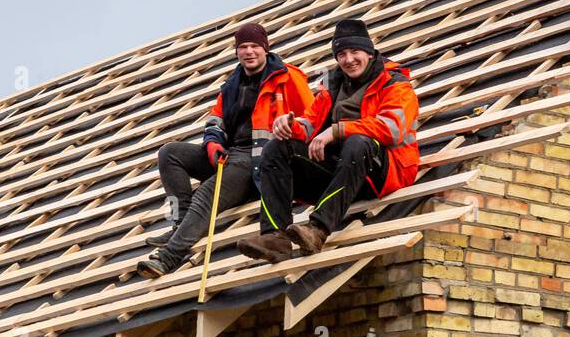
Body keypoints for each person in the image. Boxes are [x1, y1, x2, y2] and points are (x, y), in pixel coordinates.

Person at [137, 21, 313, 278]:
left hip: (258, 160)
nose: (249, 52)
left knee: (206, 194)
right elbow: (215, 120)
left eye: (254, 46)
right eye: (243, 47)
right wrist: (213, 144)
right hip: (232, 153)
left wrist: (290, 134)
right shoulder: (233, 84)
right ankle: (180, 220)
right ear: (236, 51)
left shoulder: (288, 77)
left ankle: (170, 256)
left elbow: (312, 117)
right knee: (169, 153)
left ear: (265, 48)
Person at [236, 18, 419, 263]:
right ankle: (274, 238)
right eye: (341, 54)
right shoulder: (332, 84)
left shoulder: (394, 83)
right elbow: (310, 123)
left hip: (383, 172)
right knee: (277, 147)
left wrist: (336, 131)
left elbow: (391, 128)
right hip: (340, 175)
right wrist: (291, 126)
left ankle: (318, 230)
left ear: (369, 51)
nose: (349, 59)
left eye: (355, 51)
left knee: (359, 141)